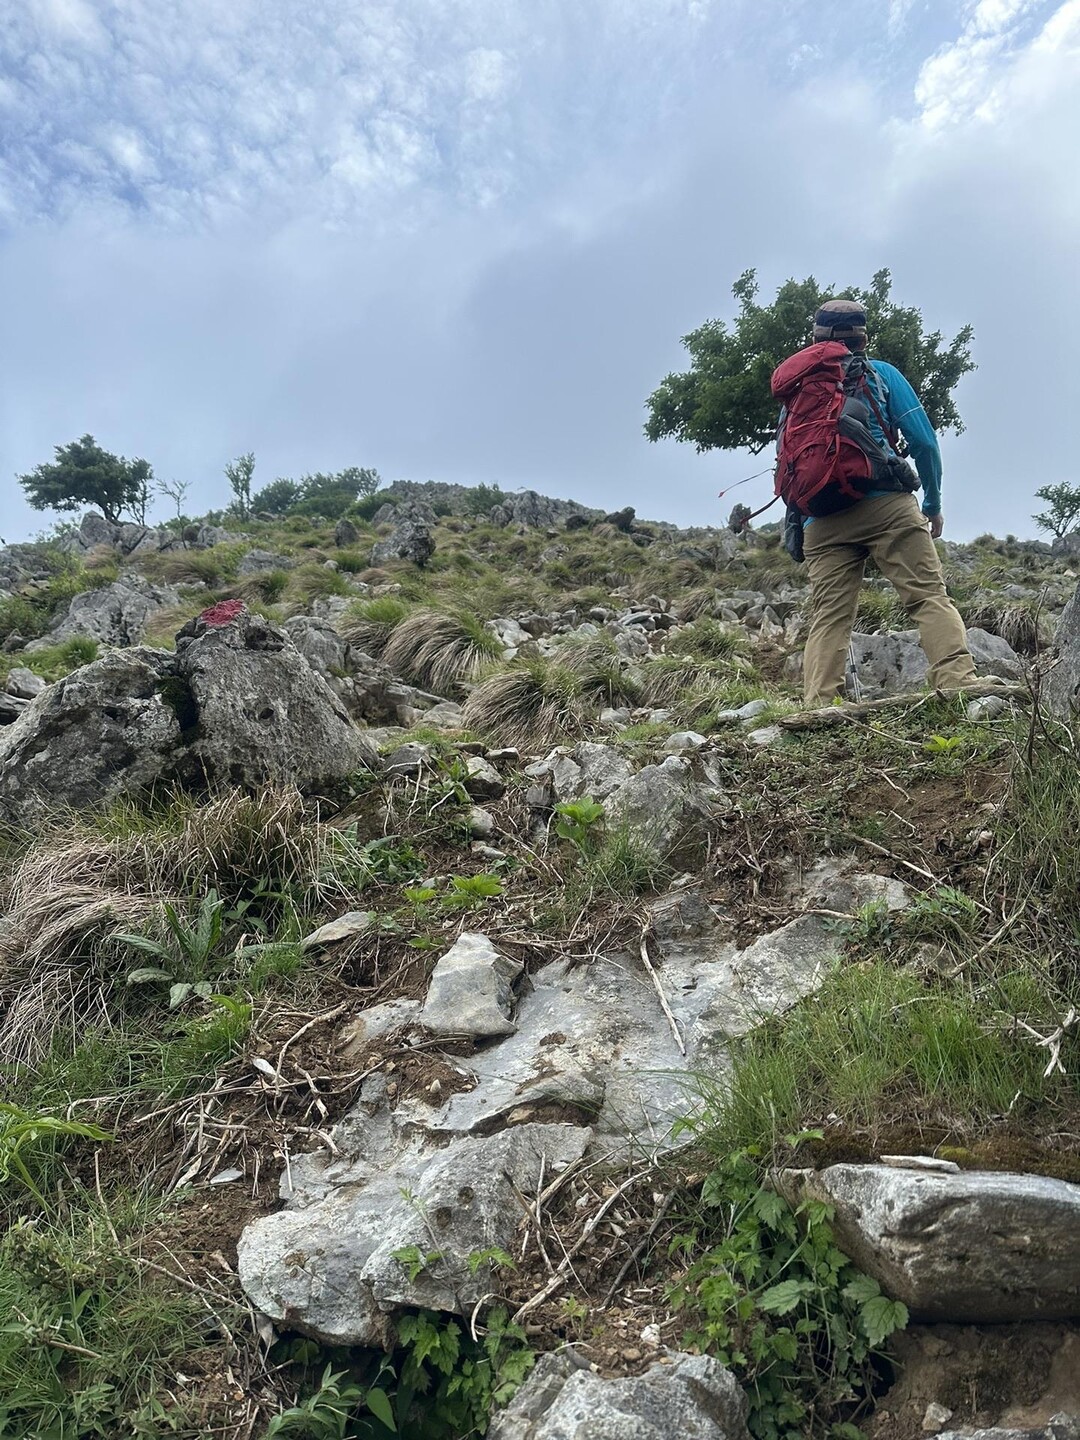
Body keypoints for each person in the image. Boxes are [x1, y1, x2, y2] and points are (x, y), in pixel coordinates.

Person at [799, 298, 981, 707]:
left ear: (815, 338)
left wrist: (799, 523)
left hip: (821, 518)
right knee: (927, 596)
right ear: (863, 337)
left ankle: (819, 703)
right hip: (885, 504)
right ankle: (957, 681)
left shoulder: (799, 390)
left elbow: (792, 461)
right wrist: (932, 503)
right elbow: (923, 442)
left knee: (829, 617)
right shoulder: (881, 374)